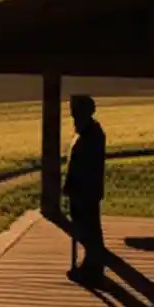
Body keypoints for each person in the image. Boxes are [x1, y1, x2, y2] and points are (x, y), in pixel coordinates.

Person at [64, 94, 106, 284]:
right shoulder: (84, 131)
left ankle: (93, 267)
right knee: (84, 228)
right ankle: (90, 265)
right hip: (80, 189)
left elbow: (85, 165)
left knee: (89, 229)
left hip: (86, 190)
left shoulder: (92, 134)